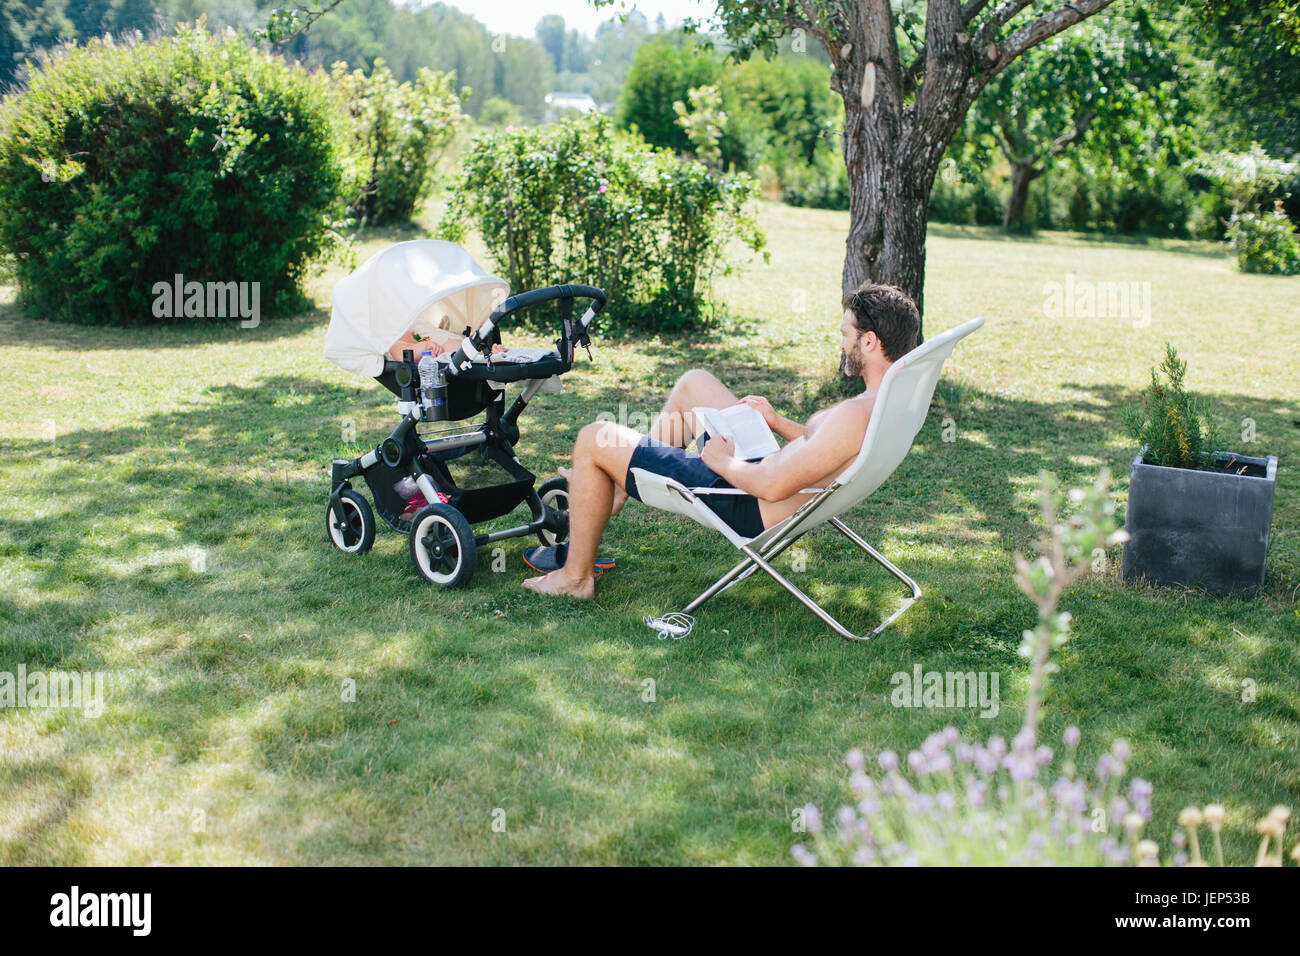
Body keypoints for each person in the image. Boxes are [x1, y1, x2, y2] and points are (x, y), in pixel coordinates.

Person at [521, 281, 922, 599]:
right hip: (769, 477)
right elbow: (832, 449)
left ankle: (575, 579)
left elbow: (772, 485)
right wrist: (779, 423)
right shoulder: (888, 403)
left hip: (747, 502)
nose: (840, 343)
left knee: (594, 439)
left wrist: (719, 461)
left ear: (869, 342)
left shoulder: (855, 414)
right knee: (695, 384)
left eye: (846, 334)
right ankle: (618, 492)